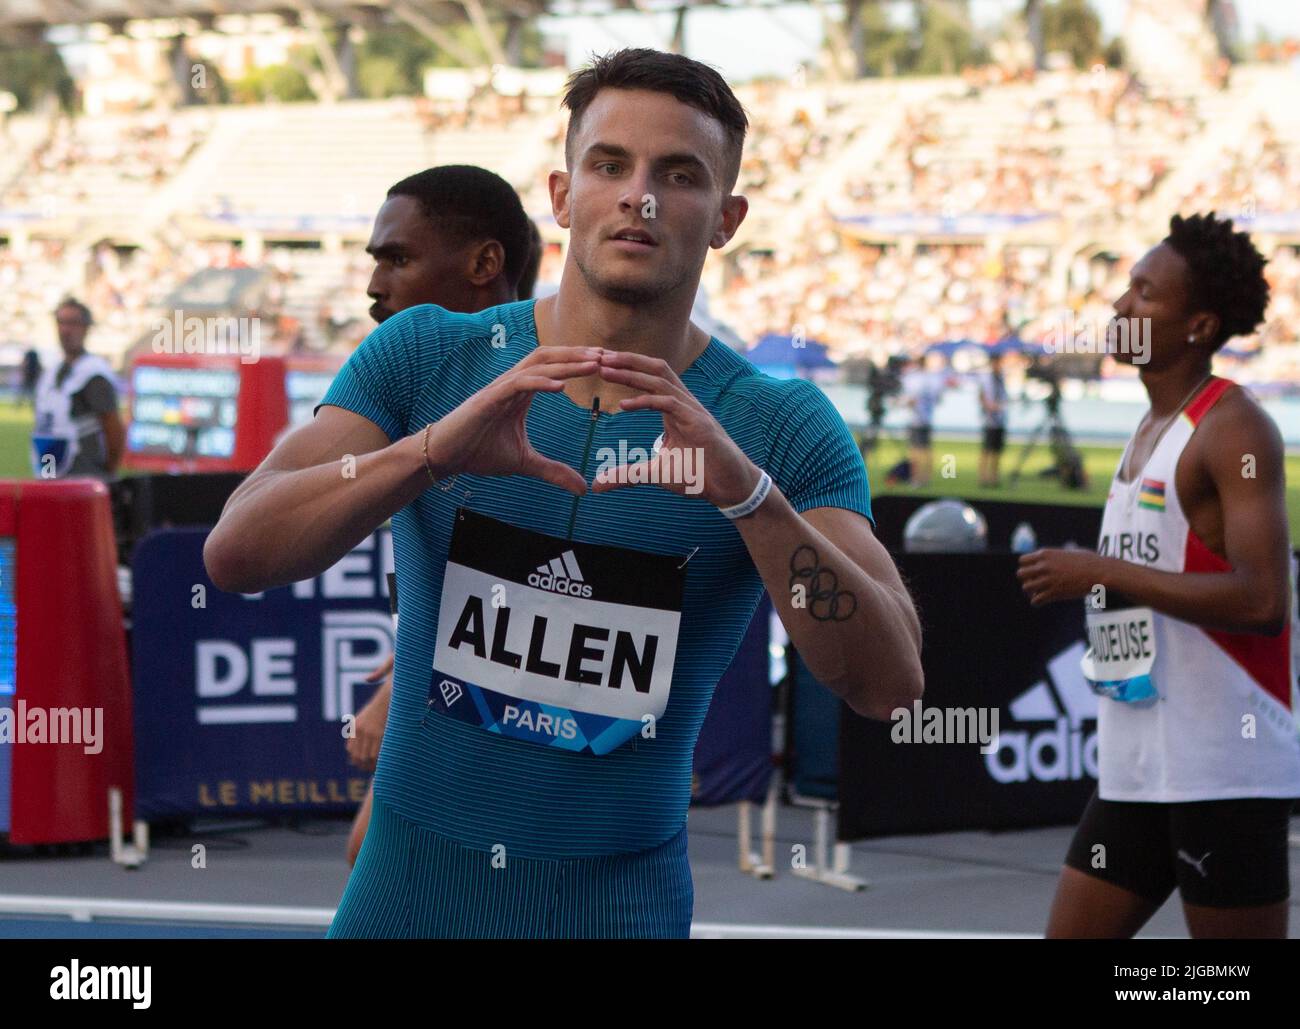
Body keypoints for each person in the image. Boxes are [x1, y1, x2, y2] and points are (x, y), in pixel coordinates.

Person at [204, 47, 922, 939]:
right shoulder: (431, 356)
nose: (640, 197)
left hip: (616, 912)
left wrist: (749, 496)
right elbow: (237, 551)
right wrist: (431, 453)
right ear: (561, 194)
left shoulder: (777, 425)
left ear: (728, 218)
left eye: (679, 174)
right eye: (610, 165)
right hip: (405, 902)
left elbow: (889, 683)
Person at [1017, 213, 1300, 939]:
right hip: (1139, 763)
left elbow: (1264, 598)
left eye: (1145, 292)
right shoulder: (1149, 426)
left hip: (1223, 769)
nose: (1120, 307)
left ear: (1199, 324)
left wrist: (1102, 571)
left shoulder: (1234, 427)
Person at [344, 165, 538, 867]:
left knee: (372, 850)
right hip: (455, 715)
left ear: (486, 264)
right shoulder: (411, 384)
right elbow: (240, 545)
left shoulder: (538, 409)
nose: (374, 287)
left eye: (397, 259)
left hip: (523, 765)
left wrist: (401, 692)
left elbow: (532, 603)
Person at [30, 298, 124, 482]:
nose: (66, 330)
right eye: (61, 322)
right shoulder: (51, 374)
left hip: (83, 478)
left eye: (73, 323)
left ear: (86, 328)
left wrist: (106, 471)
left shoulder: (92, 374)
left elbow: (113, 428)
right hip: (51, 473)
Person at [900, 351, 950, 488]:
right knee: (927, 450)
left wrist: (901, 403)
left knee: (915, 451)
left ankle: (916, 478)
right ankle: (926, 478)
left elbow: (911, 400)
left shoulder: (913, 378)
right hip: (927, 418)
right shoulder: (933, 378)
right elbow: (938, 398)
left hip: (916, 419)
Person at [978, 348, 1008, 488]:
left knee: (997, 450)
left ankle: (994, 477)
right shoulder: (987, 378)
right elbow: (981, 395)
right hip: (990, 419)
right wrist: (989, 406)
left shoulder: (1001, 378)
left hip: (1000, 418)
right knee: (987, 450)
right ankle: (983, 477)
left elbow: (1004, 397)